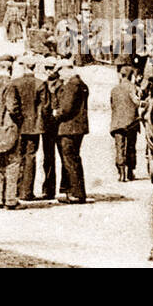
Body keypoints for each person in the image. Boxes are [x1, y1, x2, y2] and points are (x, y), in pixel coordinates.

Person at [8, 56, 45, 201]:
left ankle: (16, 190)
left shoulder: (15, 83)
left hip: (19, 126)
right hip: (34, 127)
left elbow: (12, 108)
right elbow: (45, 107)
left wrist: (18, 119)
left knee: (18, 157)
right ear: (34, 67)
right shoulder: (40, 84)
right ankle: (27, 192)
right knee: (31, 157)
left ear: (23, 67)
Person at [0, 54, 21, 209]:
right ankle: (11, 200)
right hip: (9, 129)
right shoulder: (10, 85)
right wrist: (21, 118)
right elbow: (13, 107)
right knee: (13, 163)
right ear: (10, 68)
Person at [53, 60, 90, 203]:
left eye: (59, 71)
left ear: (65, 69)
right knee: (73, 159)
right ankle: (74, 191)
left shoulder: (72, 85)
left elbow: (67, 108)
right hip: (77, 127)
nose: (59, 75)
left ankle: (76, 193)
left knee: (70, 160)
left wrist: (56, 113)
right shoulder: (80, 83)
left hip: (69, 127)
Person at [110, 64, 141, 182]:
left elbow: (112, 105)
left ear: (120, 75)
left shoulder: (114, 89)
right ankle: (130, 172)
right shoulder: (133, 88)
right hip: (131, 122)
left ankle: (121, 173)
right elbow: (137, 102)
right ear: (131, 76)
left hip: (117, 123)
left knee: (119, 147)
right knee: (131, 147)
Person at [39, 57, 62, 199]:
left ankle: (66, 188)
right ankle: (49, 189)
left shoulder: (62, 84)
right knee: (48, 158)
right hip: (47, 125)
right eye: (46, 68)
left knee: (64, 157)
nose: (48, 71)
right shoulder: (43, 84)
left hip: (60, 124)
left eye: (51, 68)